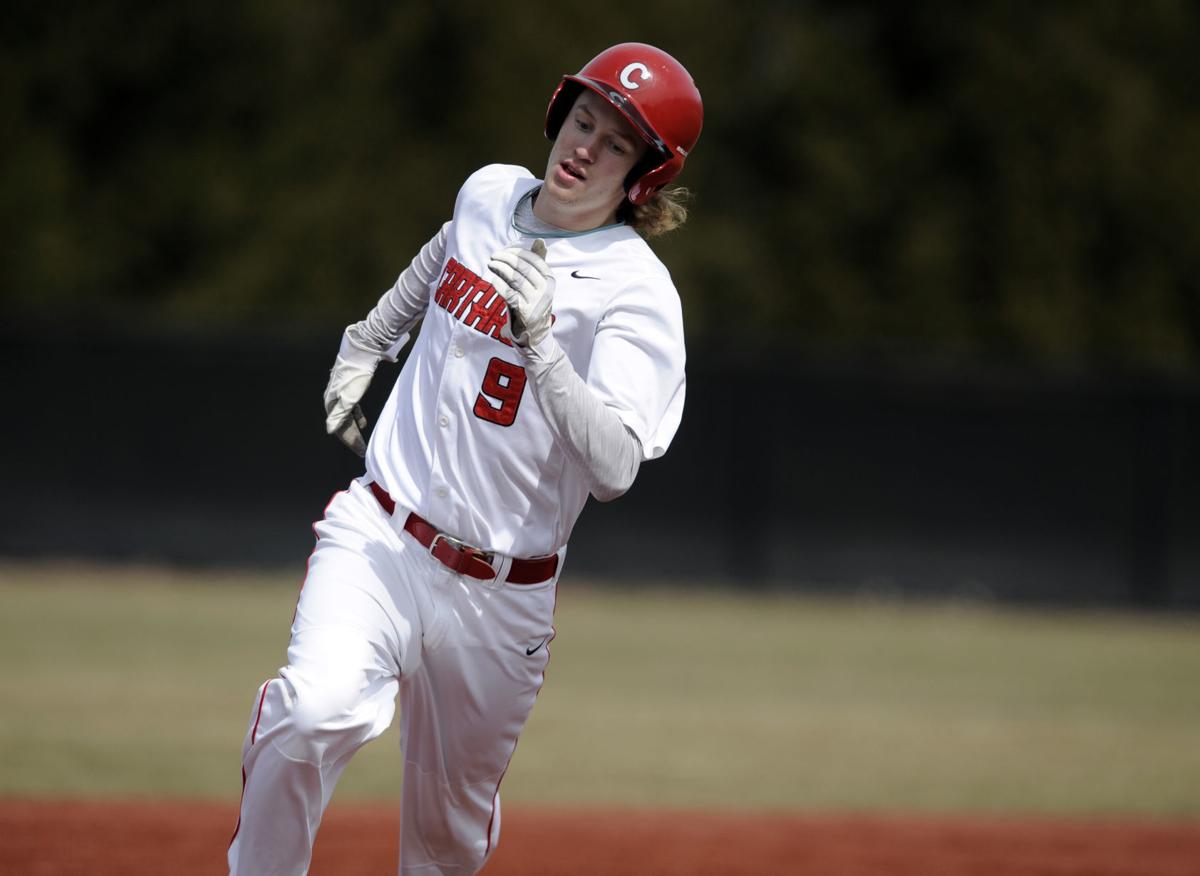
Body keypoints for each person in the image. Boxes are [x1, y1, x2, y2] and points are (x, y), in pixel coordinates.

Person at [228, 42, 703, 876]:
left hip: (501, 595)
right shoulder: (489, 194)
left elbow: (615, 468)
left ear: (645, 176)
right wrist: (371, 336)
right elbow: (442, 254)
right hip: (384, 533)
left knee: (446, 838)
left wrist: (544, 346)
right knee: (315, 711)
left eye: (616, 142)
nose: (585, 147)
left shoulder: (637, 291)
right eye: (583, 120)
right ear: (558, 115)